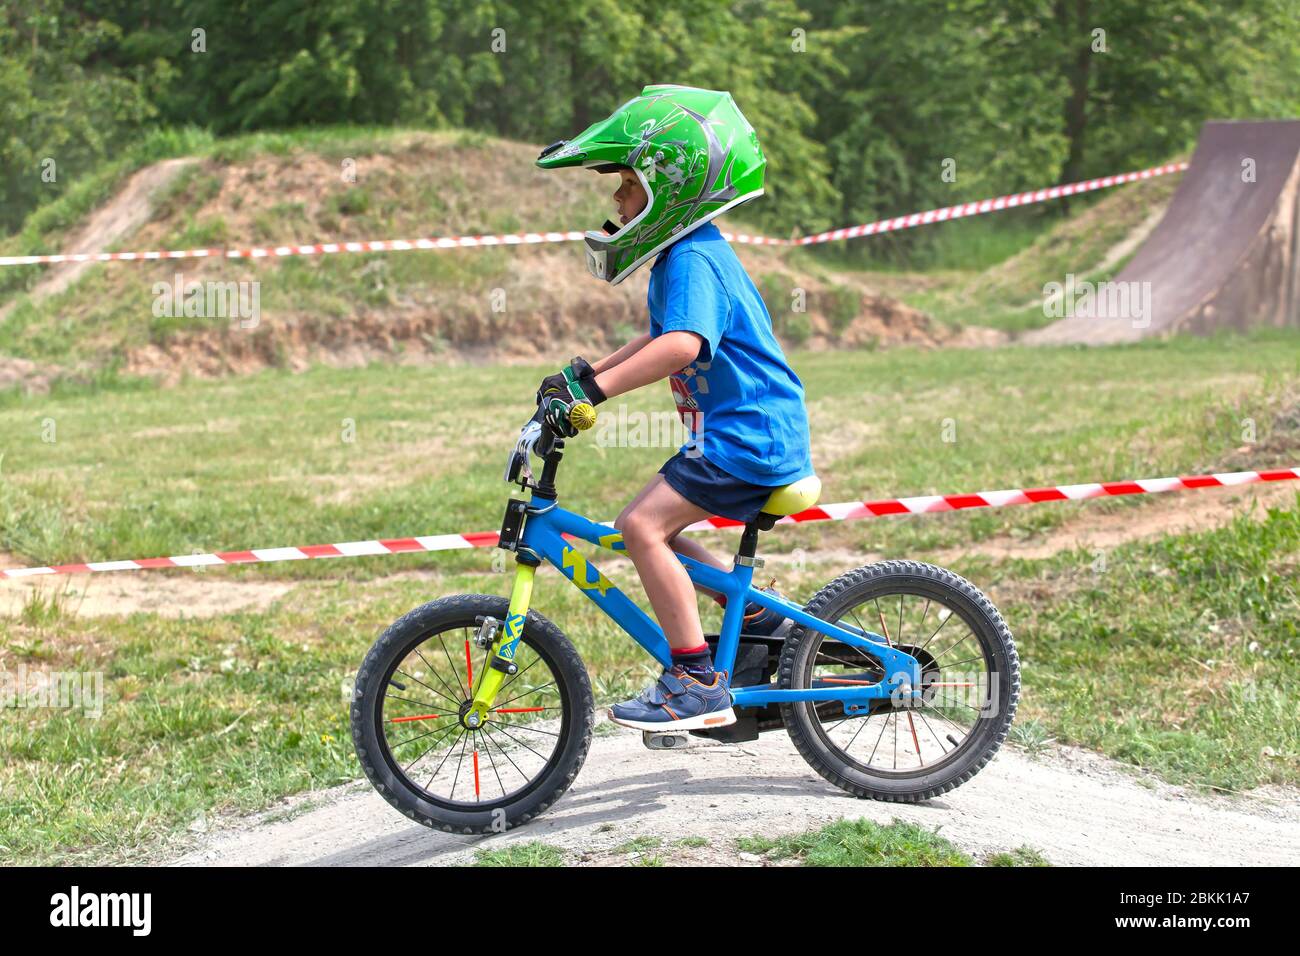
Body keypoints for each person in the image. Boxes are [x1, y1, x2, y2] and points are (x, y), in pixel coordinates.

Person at [534, 85, 815, 731]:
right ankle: (759, 621)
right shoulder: (686, 255)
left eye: (627, 184)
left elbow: (682, 346)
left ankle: (694, 679)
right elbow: (662, 335)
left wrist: (598, 393)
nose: (616, 200)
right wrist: (583, 373)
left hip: (748, 438)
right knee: (664, 532)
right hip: (743, 434)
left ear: (670, 192)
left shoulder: (692, 256)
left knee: (641, 528)